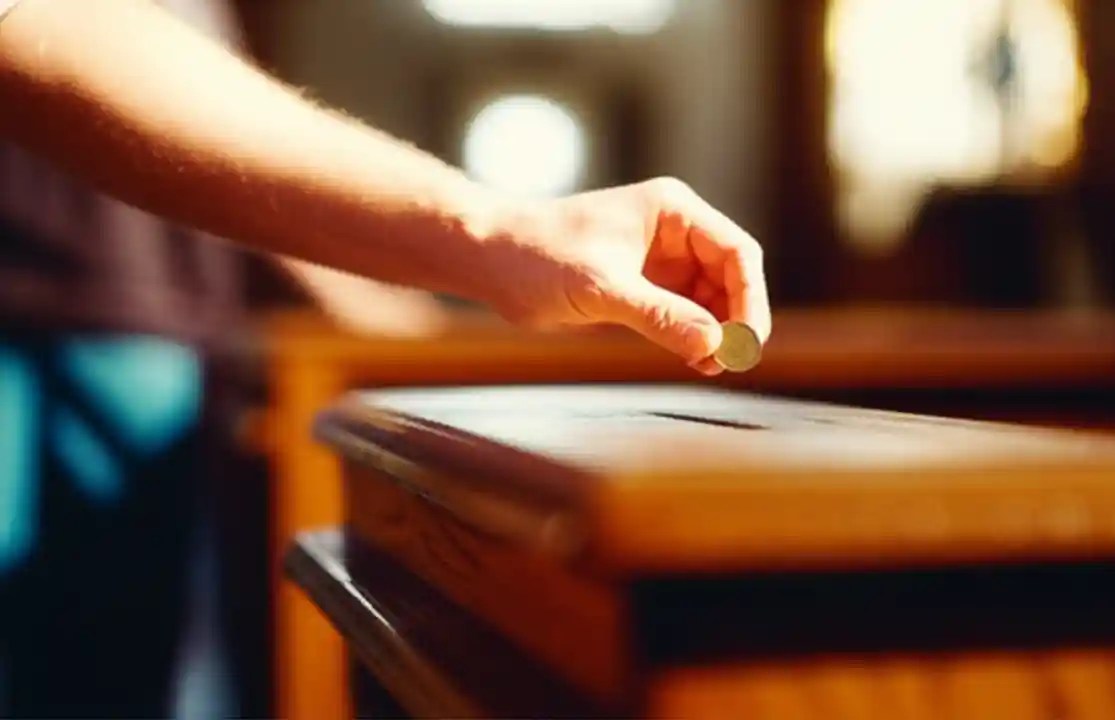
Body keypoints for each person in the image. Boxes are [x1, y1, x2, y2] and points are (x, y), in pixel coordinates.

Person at [0, 0, 770, 716]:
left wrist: (425, 267)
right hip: (26, 306)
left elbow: (193, 97)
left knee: (120, 674)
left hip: (158, 316)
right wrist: (492, 234)